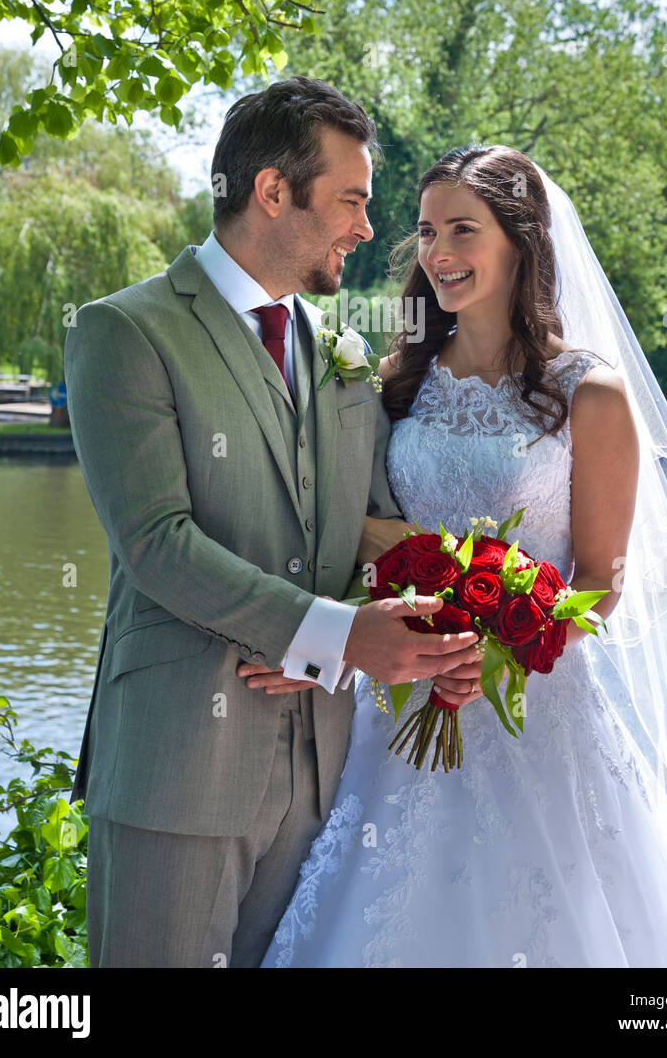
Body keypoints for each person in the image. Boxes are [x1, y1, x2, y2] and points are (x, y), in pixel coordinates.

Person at [245, 144, 667, 969]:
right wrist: (331, 645)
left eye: (463, 230)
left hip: (541, 710)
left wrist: (499, 643)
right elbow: (357, 536)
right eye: (427, 231)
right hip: (397, 702)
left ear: (523, 241)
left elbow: (603, 584)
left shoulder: (591, 393)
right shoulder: (392, 383)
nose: (437, 253)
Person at [64, 78, 482, 968]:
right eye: (352, 201)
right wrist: (333, 635)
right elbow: (155, 542)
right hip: (178, 770)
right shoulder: (124, 332)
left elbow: (380, 531)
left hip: (323, 779)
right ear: (270, 191)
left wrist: (444, 631)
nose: (368, 229)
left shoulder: (342, 352)